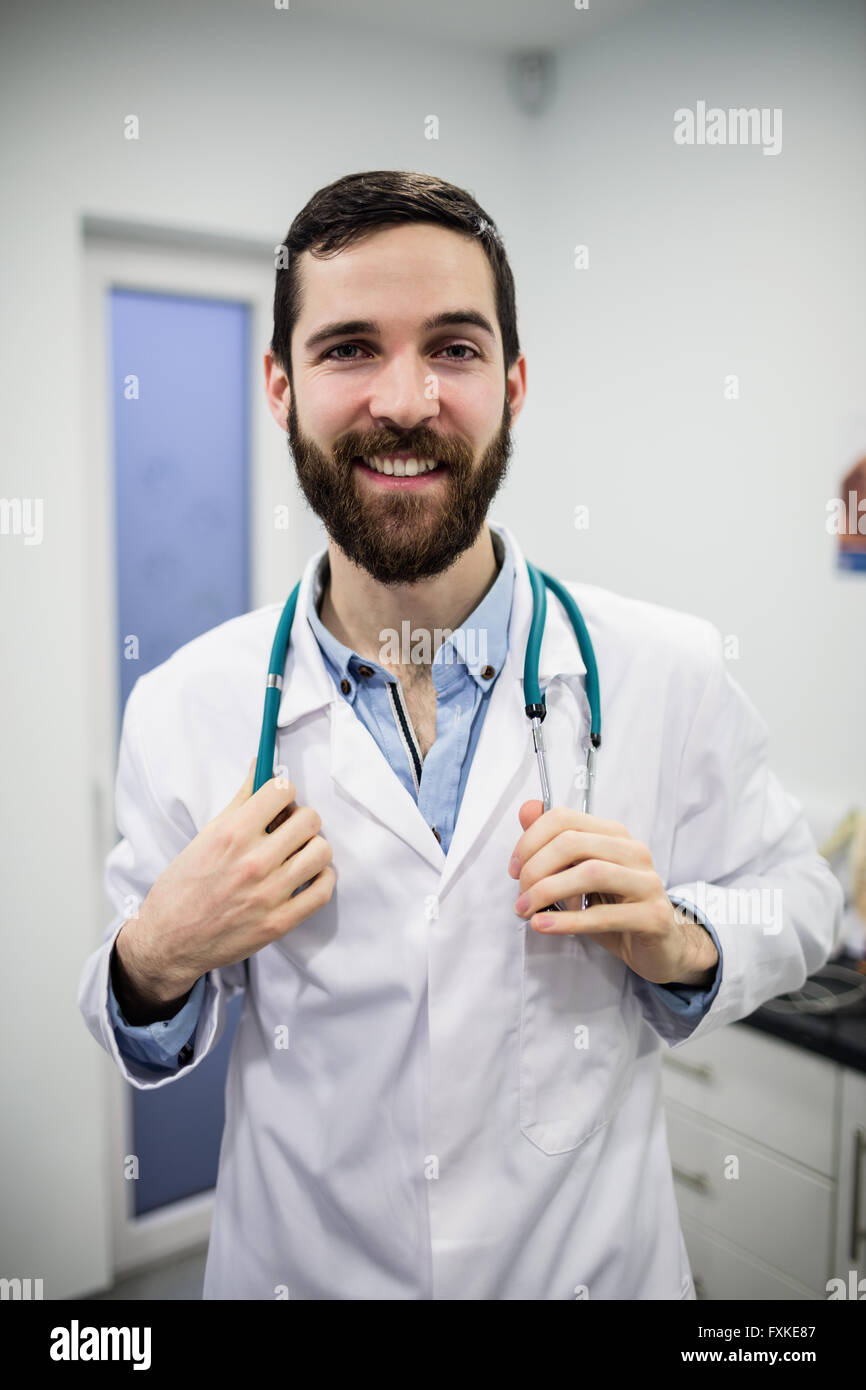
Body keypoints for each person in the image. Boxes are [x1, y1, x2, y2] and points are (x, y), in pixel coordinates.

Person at [78, 170, 843, 1300]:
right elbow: (132, 1016)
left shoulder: (662, 670)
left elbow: (801, 896)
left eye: (452, 347)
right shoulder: (190, 706)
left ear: (512, 382)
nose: (404, 398)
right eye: (347, 349)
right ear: (279, 386)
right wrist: (157, 951)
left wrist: (686, 939)